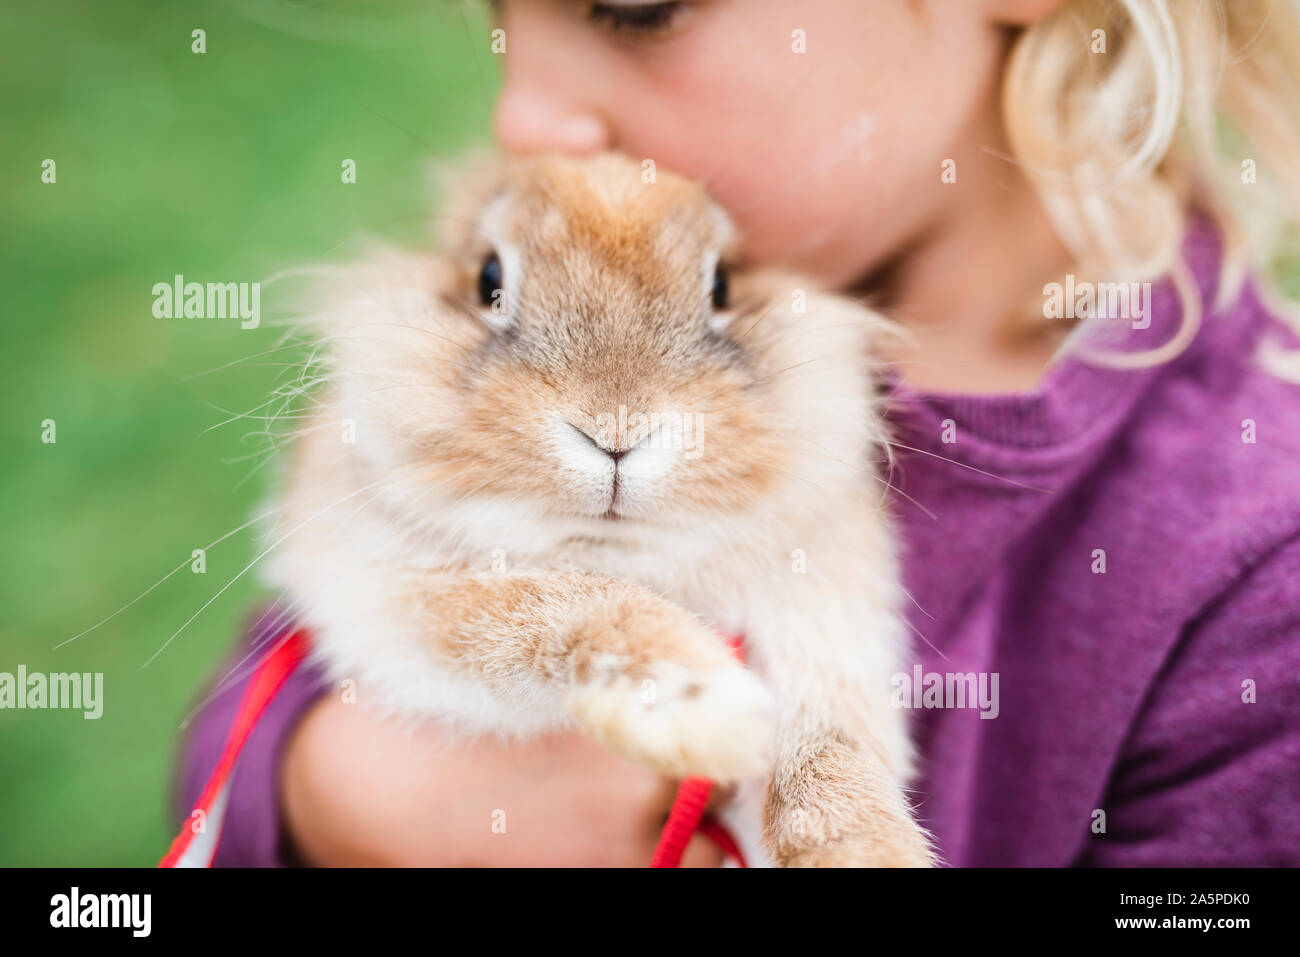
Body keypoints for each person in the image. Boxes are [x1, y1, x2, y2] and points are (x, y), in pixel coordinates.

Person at [177, 0, 1300, 866]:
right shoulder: (474, 311)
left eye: (635, 5)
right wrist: (333, 800)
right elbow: (255, 705)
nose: (524, 116)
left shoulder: (1254, 563)